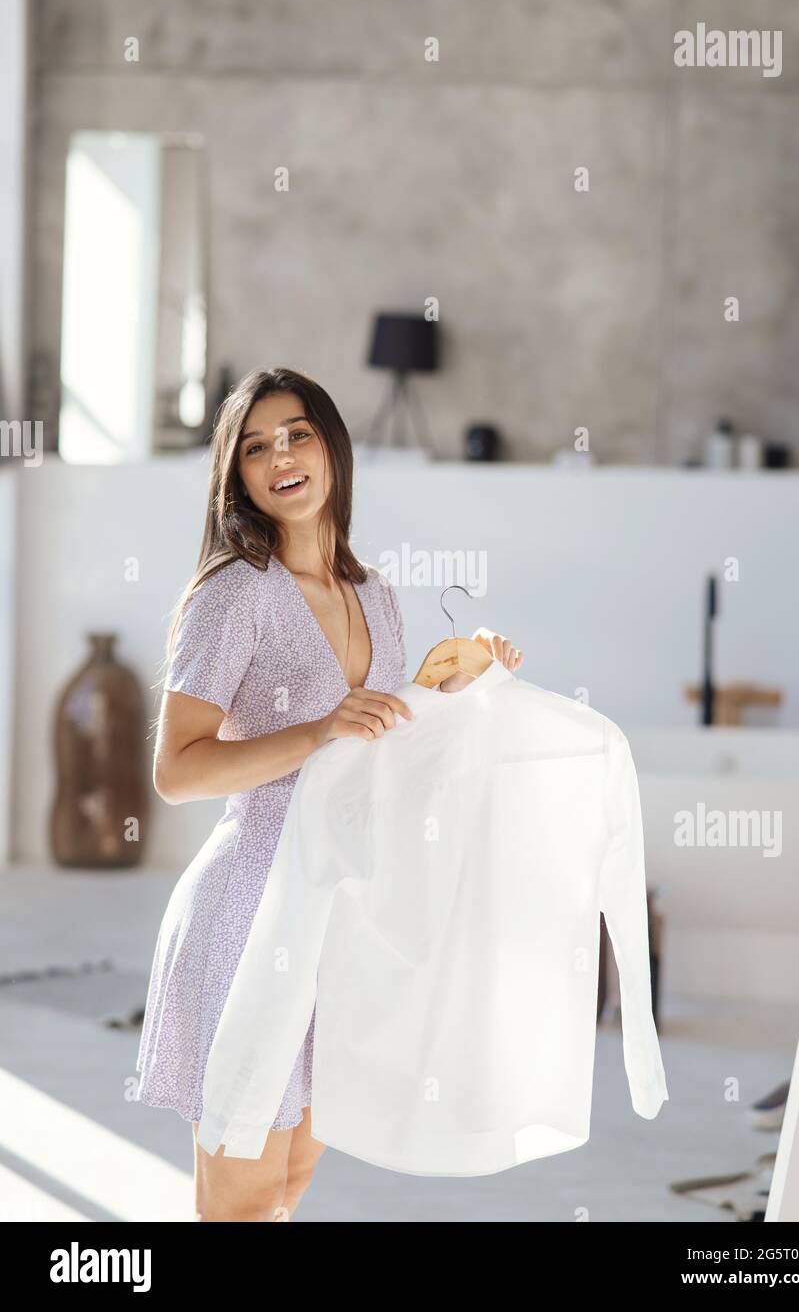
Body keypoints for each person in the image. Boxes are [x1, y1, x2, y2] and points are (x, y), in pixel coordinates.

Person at [137, 366, 523, 1221]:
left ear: (332, 446)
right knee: (238, 1198)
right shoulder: (233, 596)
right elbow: (176, 772)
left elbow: (383, 746)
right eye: (254, 446)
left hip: (335, 918)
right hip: (248, 914)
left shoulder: (375, 595)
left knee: (291, 1183)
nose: (280, 455)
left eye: (297, 433)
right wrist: (316, 732)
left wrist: (465, 681)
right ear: (235, 476)